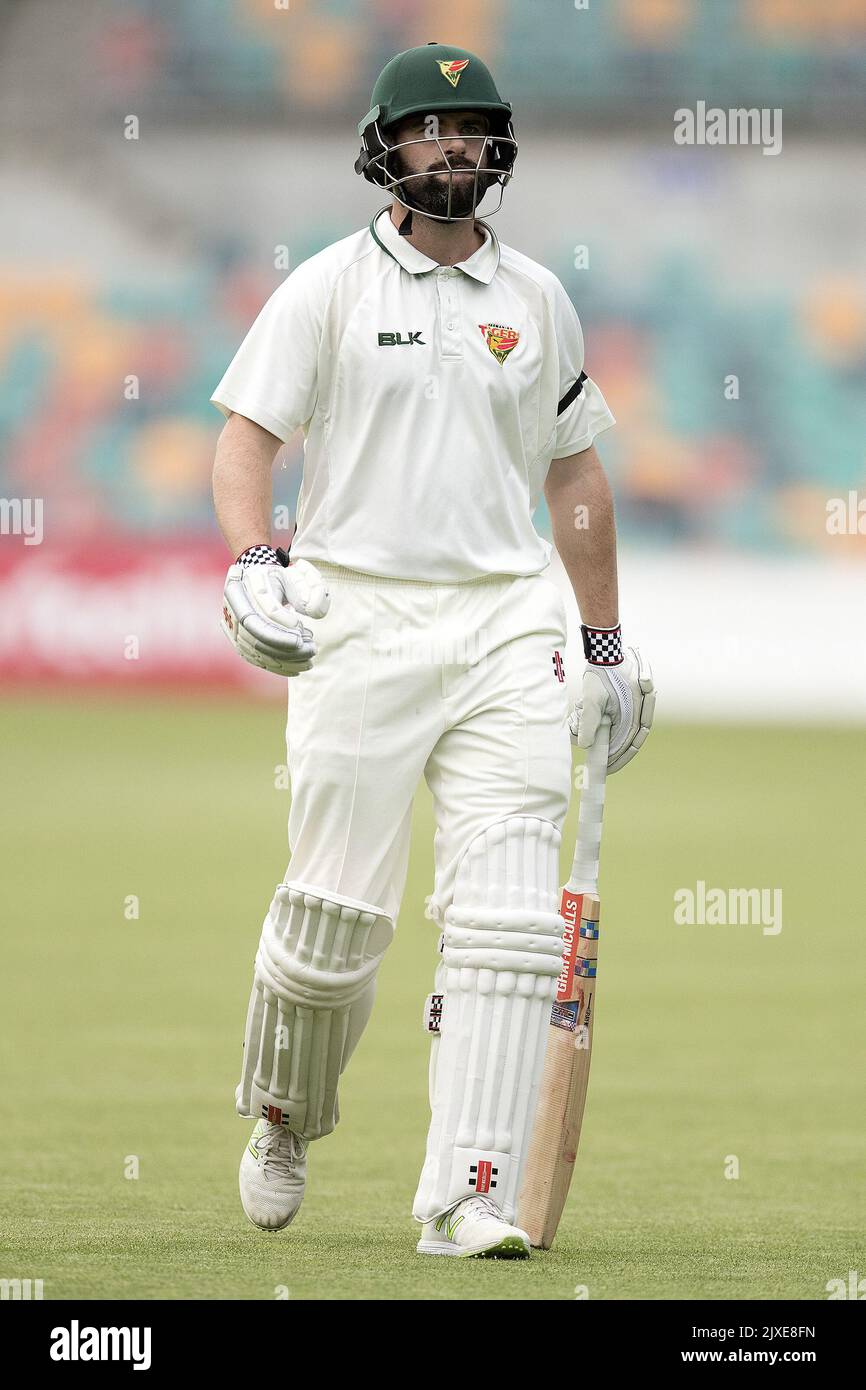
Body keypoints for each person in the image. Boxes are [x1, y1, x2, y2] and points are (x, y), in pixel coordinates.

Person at [211, 42, 655, 1259]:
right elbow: (246, 442)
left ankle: (467, 1193)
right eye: (431, 128)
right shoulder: (328, 291)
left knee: (510, 923)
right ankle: (285, 1113)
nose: (455, 146)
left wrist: (603, 641)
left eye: (474, 128)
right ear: (386, 148)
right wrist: (257, 565)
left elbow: (571, 477)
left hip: (504, 622)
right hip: (358, 617)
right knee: (332, 925)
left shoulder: (536, 300)